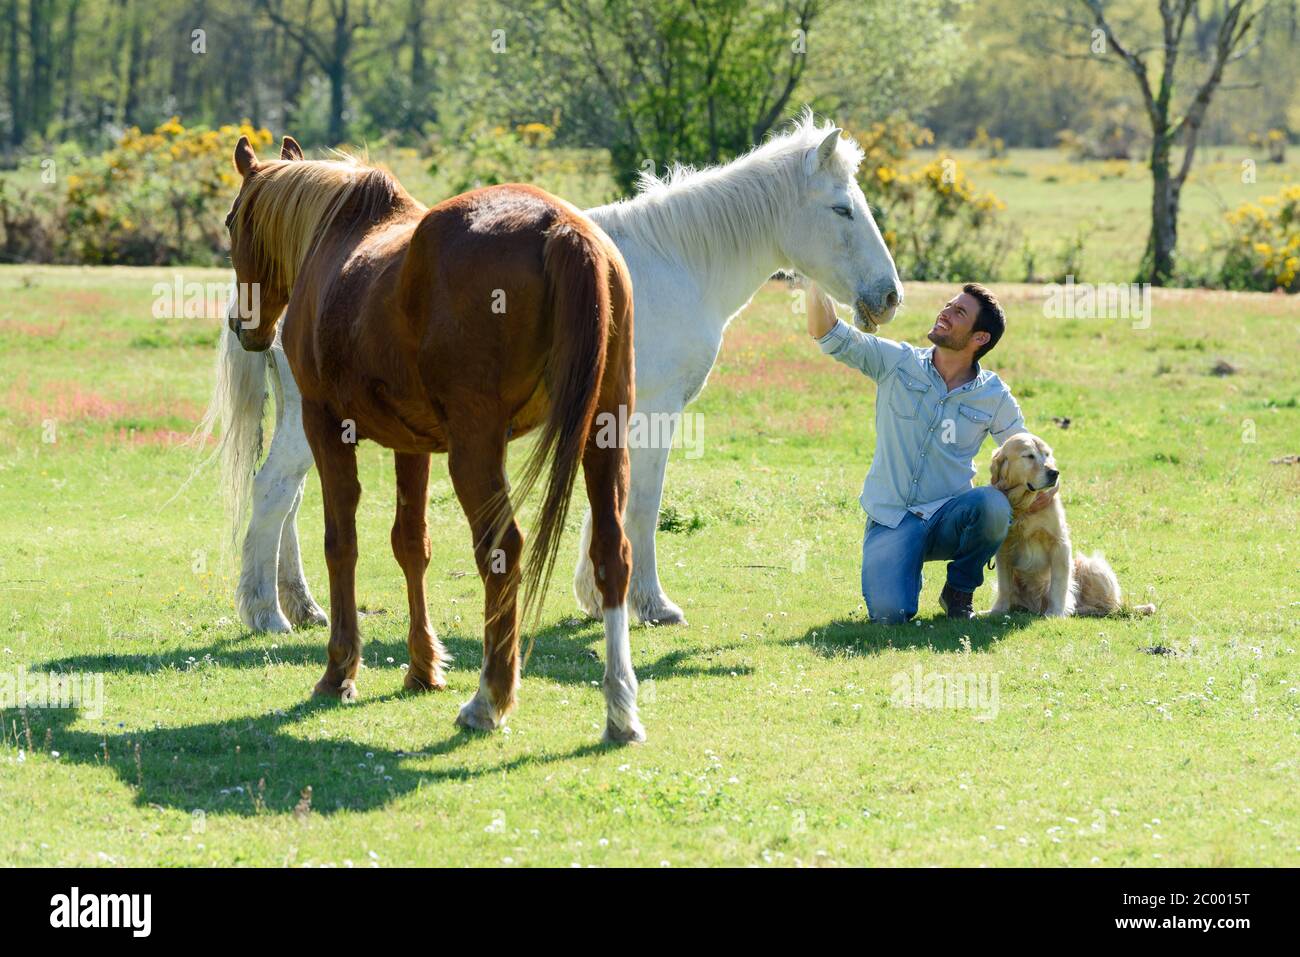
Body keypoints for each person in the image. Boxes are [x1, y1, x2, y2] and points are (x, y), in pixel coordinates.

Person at [806, 281, 1026, 621]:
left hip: (950, 518)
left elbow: (1024, 450)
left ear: (979, 338)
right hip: (891, 519)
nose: (945, 313)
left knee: (993, 506)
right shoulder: (897, 362)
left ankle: (959, 591)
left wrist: (1041, 488)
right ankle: (903, 570)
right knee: (890, 616)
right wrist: (814, 277)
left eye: (959, 312)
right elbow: (827, 333)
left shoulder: (993, 395)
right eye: (949, 305)